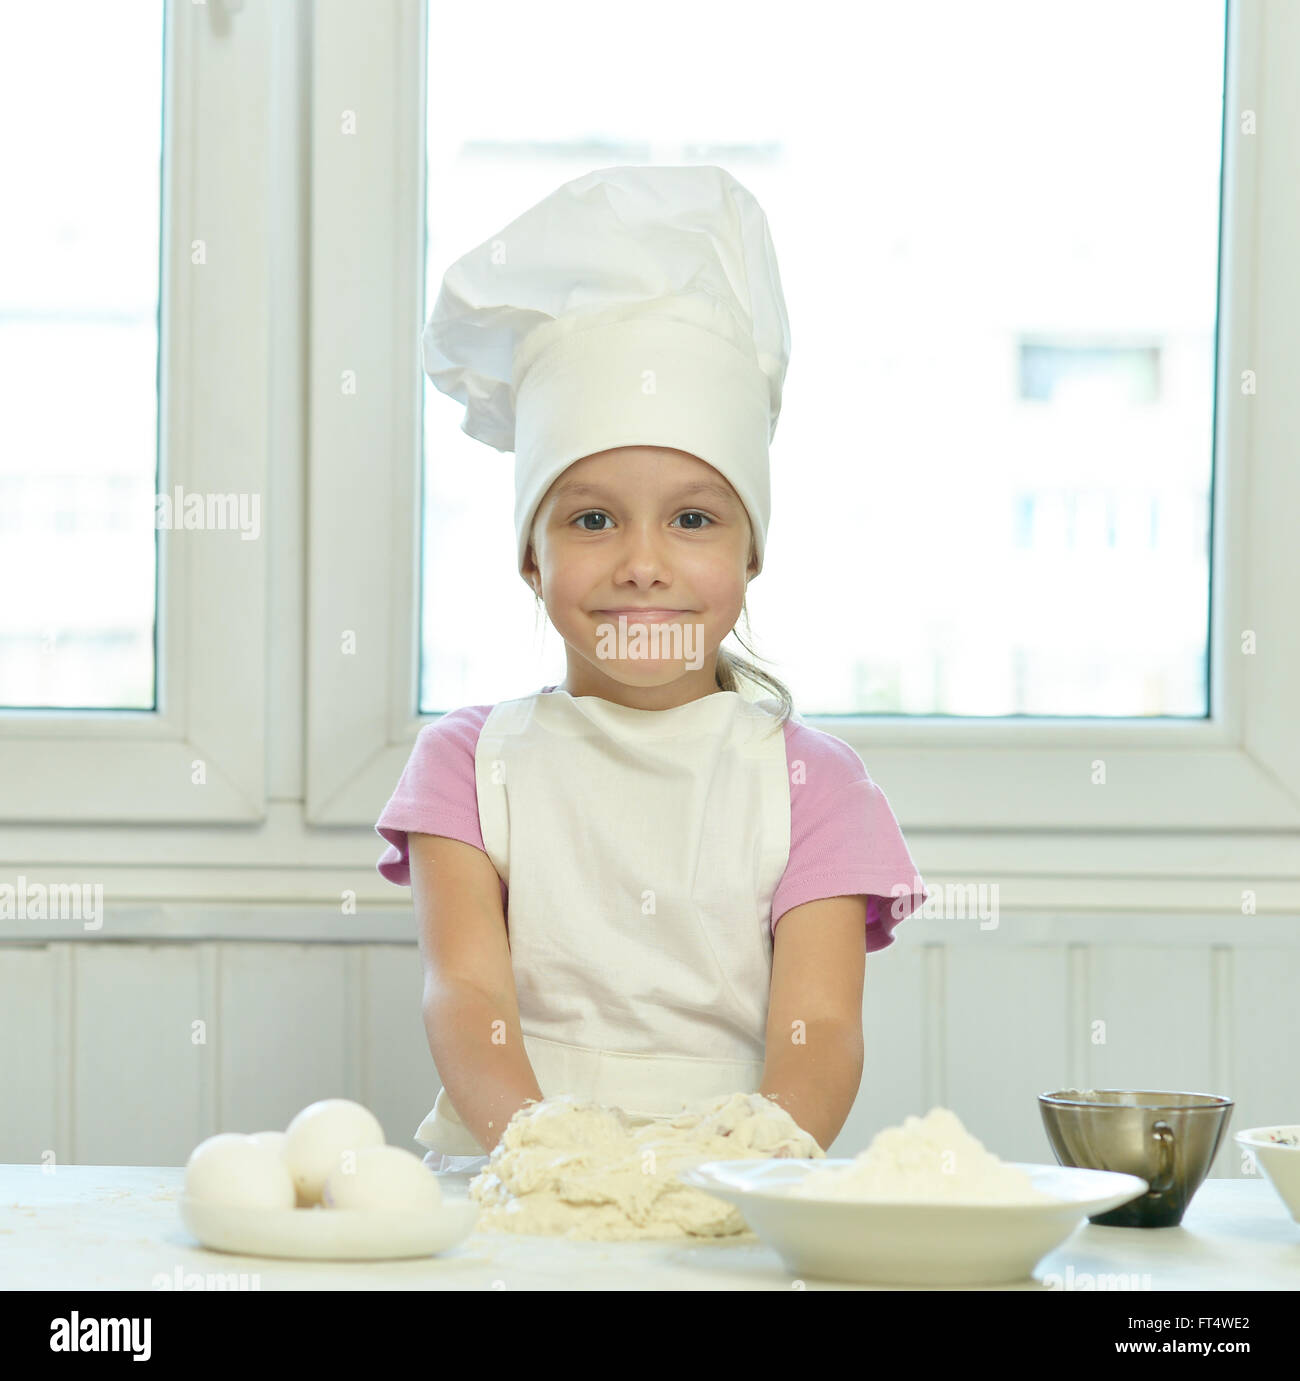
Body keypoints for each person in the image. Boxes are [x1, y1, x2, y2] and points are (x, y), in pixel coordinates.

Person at [375, 165, 928, 1177]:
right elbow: (468, 998)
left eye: (692, 518)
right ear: (530, 555)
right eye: (591, 518)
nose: (641, 561)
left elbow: (819, 1031)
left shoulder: (814, 784)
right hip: (508, 1178)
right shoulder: (467, 765)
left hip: (728, 1189)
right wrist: (549, 1160)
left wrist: (739, 1170)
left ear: (750, 551)